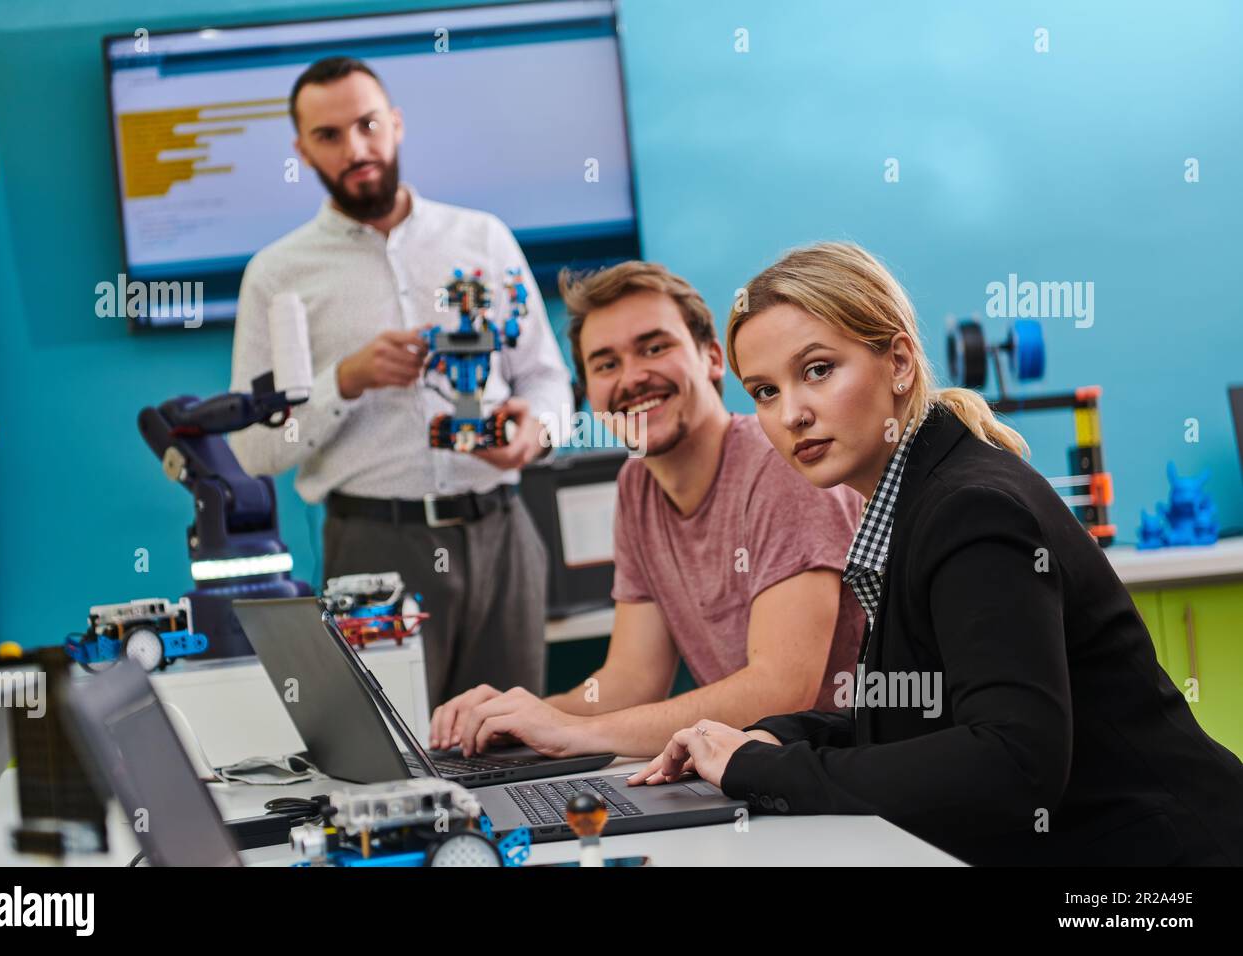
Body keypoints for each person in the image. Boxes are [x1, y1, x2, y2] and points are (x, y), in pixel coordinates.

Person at [630, 241, 1243, 866]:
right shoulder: (915, 497)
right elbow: (915, 720)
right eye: (763, 391)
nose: (792, 414)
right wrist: (771, 738)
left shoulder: (969, 509)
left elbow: (1012, 761)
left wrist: (763, 769)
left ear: (898, 361)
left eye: (817, 370)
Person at [229, 57, 572, 707]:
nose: (356, 149)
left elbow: (547, 379)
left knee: (515, 748)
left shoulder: (483, 239)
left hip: (504, 536)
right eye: (329, 136)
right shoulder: (277, 275)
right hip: (373, 549)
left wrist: (535, 433)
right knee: (394, 753)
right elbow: (254, 452)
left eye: (367, 125)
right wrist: (343, 382)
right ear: (302, 151)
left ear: (396, 123)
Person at [429, 261, 864, 759]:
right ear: (589, 393)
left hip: (844, 780)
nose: (632, 377)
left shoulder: (779, 467)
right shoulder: (638, 484)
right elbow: (631, 680)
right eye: (606, 364)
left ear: (713, 359)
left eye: (655, 348)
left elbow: (781, 692)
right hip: (759, 774)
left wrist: (577, 733)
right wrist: (520, 717)